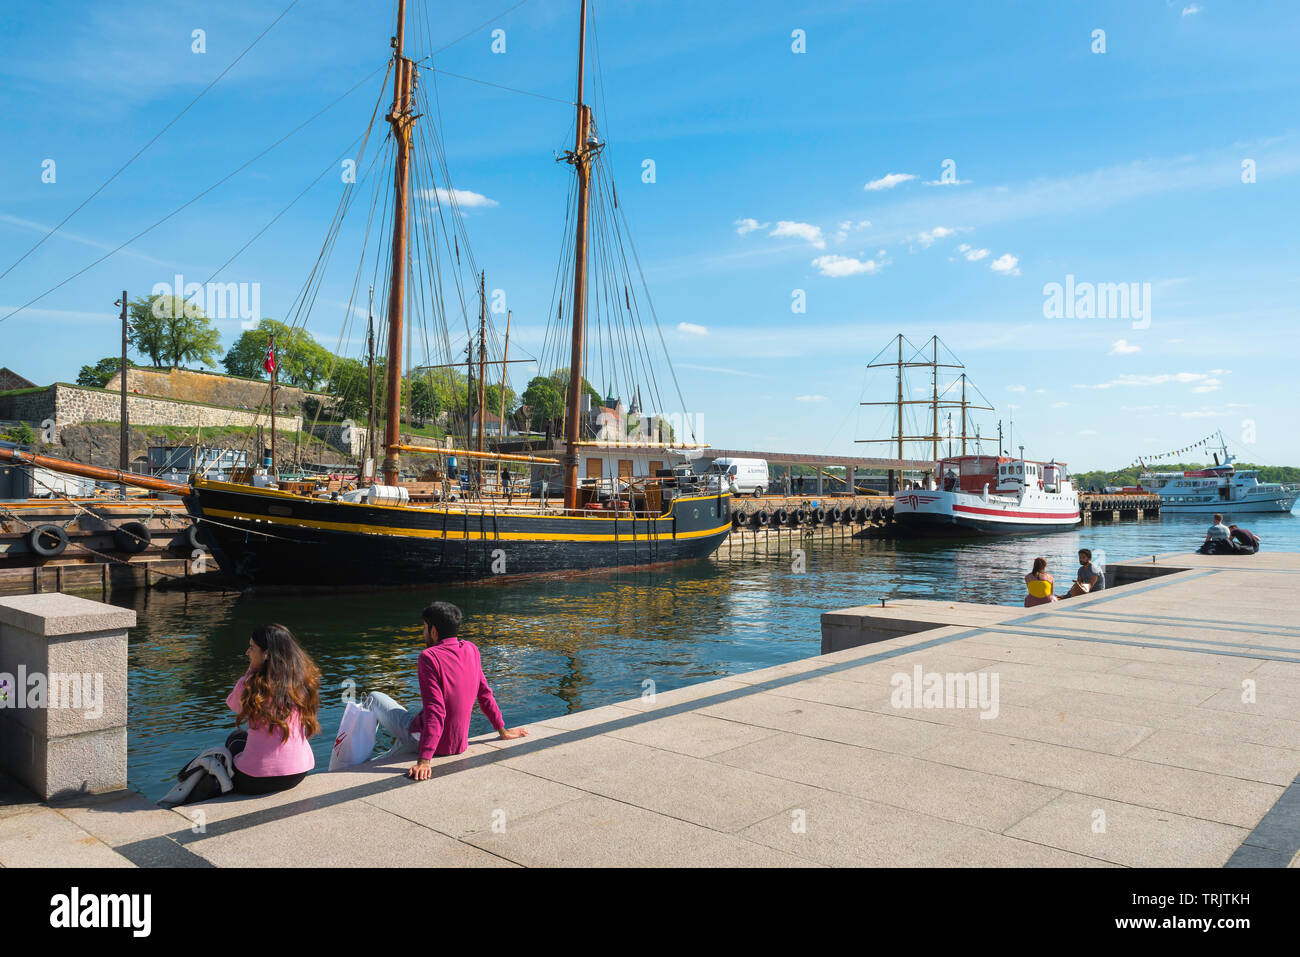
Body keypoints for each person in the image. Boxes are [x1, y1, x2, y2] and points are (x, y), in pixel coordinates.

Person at [365, 602, 528, 781]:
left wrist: (425, 760)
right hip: (459, 744)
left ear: (433, 631)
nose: (423, 632)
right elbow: (484, 694)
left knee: (374, 698)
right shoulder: (471, 649)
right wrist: (502, 730)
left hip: (424, 739)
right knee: (391, 752)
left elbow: (436, 710)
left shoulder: (429, 657)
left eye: (424, 628)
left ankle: (360, 756)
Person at [225, 624, 321, 796]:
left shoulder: (250, 685)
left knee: (234, 739)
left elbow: (232, 704)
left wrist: (251, 670)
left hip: (255, 780)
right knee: (243, 739)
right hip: (298, 773)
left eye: (252, 648)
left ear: (267, 654)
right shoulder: (304, 682)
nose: (247, 652)